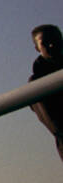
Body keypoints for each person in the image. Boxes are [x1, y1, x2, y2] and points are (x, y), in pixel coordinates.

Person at [29, 24, 63, 164]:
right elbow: (56, 125)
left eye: (55, 40)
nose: (51, 45)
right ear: (37, 48)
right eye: (45, 43)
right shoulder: (37, 84)